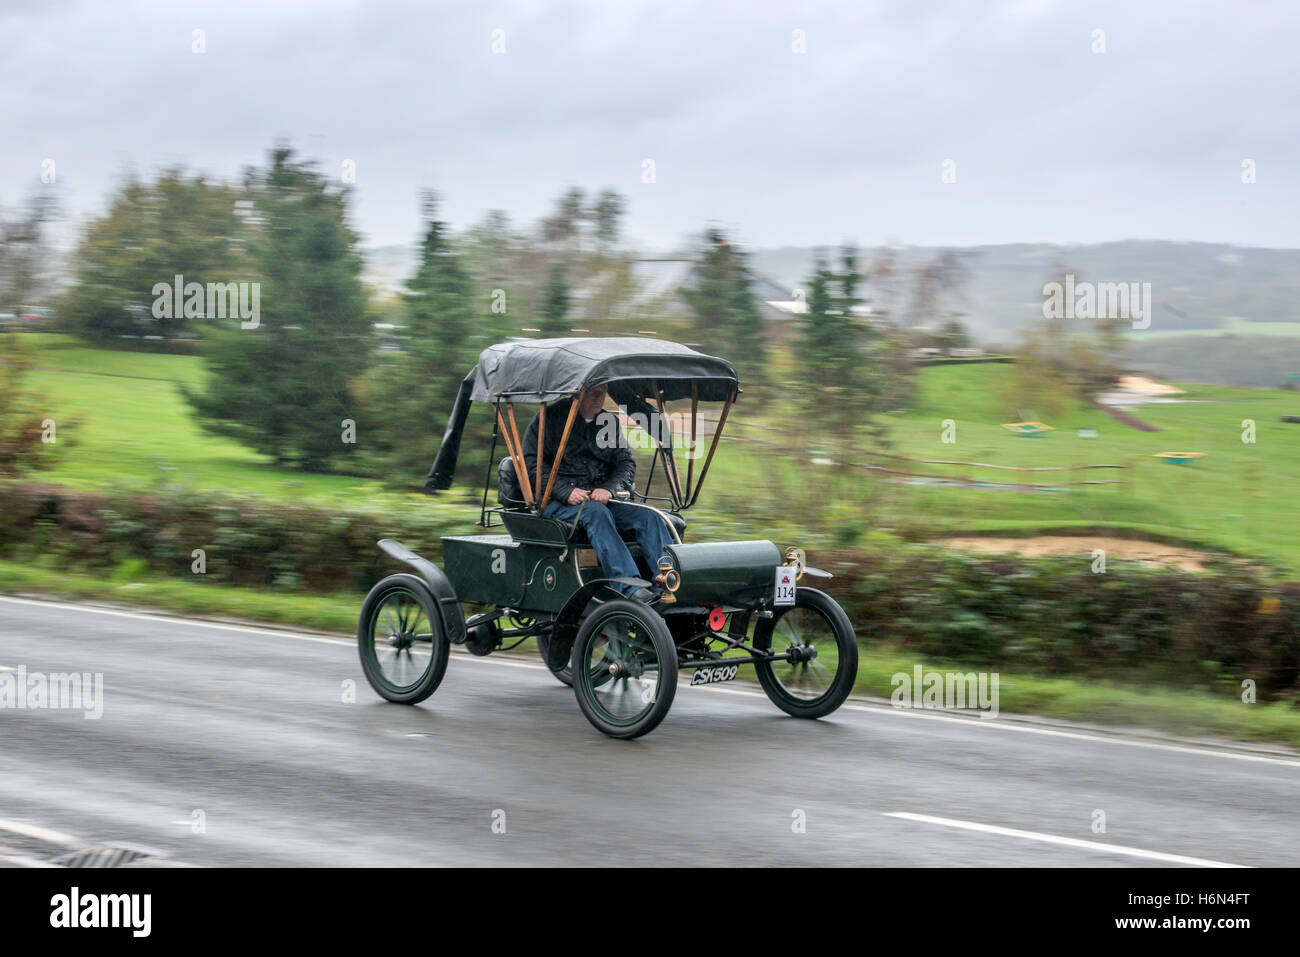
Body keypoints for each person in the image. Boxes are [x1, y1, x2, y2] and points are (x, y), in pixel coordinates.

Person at [521, 384, 673, 602]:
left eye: (601, 393)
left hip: (600, 498)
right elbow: (531, 465)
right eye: (592, 392)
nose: (597, 398)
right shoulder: (549, 419)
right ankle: (629, 588)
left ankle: (670, 584)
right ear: (577, 393)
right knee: (596, 514)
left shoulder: (608, 422)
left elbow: (625, 463)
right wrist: (566, 491)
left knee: (649, 516)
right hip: (556, 500)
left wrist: (609, 489)